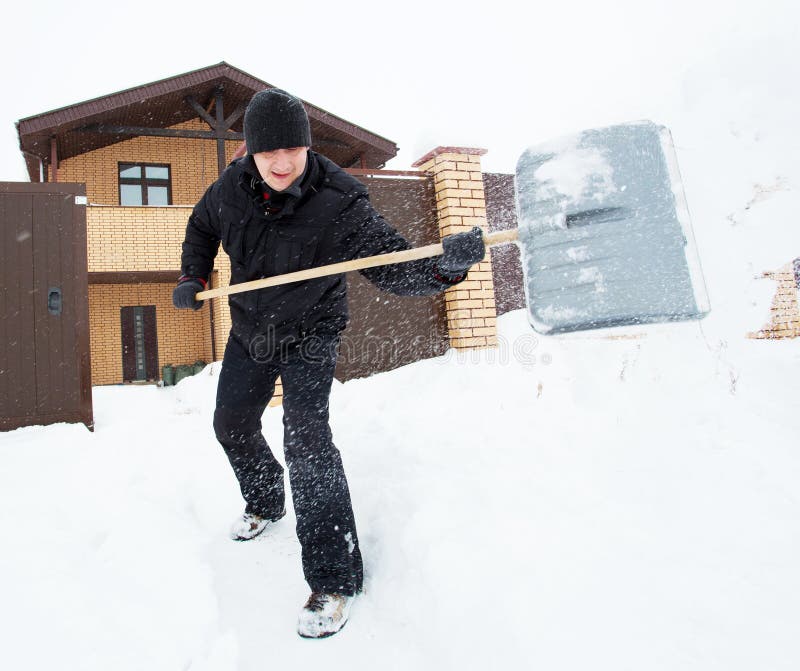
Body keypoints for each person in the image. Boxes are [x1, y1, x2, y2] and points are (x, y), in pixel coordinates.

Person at [173, 88, 484, 638]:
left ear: (307, 146)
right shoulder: (230, 189)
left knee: (307, 441)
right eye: (269, 151)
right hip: (250, 330)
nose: (281, 162)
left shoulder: (340, 201)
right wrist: (192, 276)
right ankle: (267, 500)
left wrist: (445, 269)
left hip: (311, 334)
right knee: (231, 424)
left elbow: (394, 268)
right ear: (249, 151)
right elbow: (201, 229)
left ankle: (334, 578)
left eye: (292, 148)